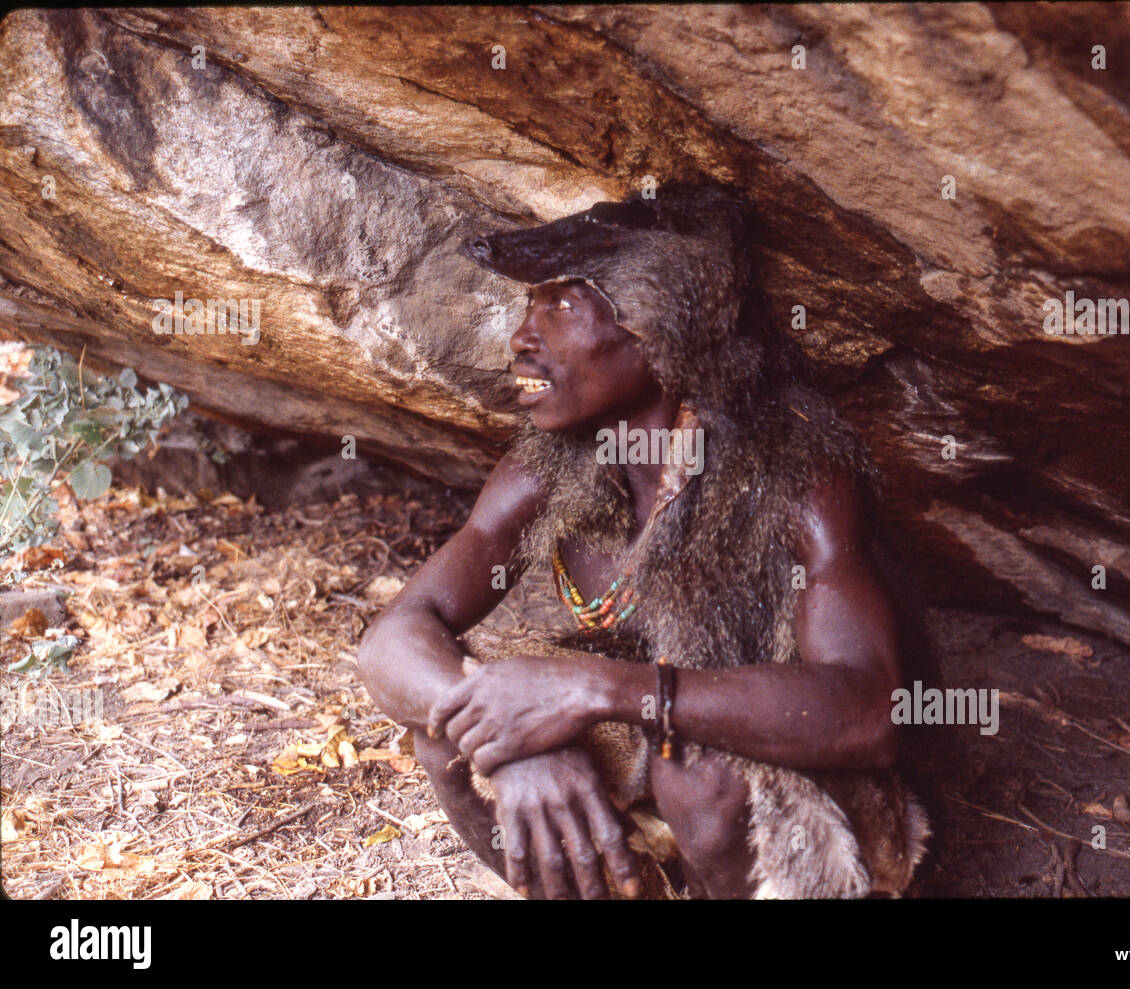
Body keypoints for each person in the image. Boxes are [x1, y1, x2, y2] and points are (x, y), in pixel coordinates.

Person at [358, 183, 927, 899]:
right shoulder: (551, 463)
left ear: (657, 333)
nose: (521, 340)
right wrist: (516, 747)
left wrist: (594, 689)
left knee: (696, 778)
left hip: (800, 788)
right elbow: (395, 637)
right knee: (444, 727)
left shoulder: (796, 465)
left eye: (561, 307)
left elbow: (875, 711)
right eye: (530, 308)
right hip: (656, 741)